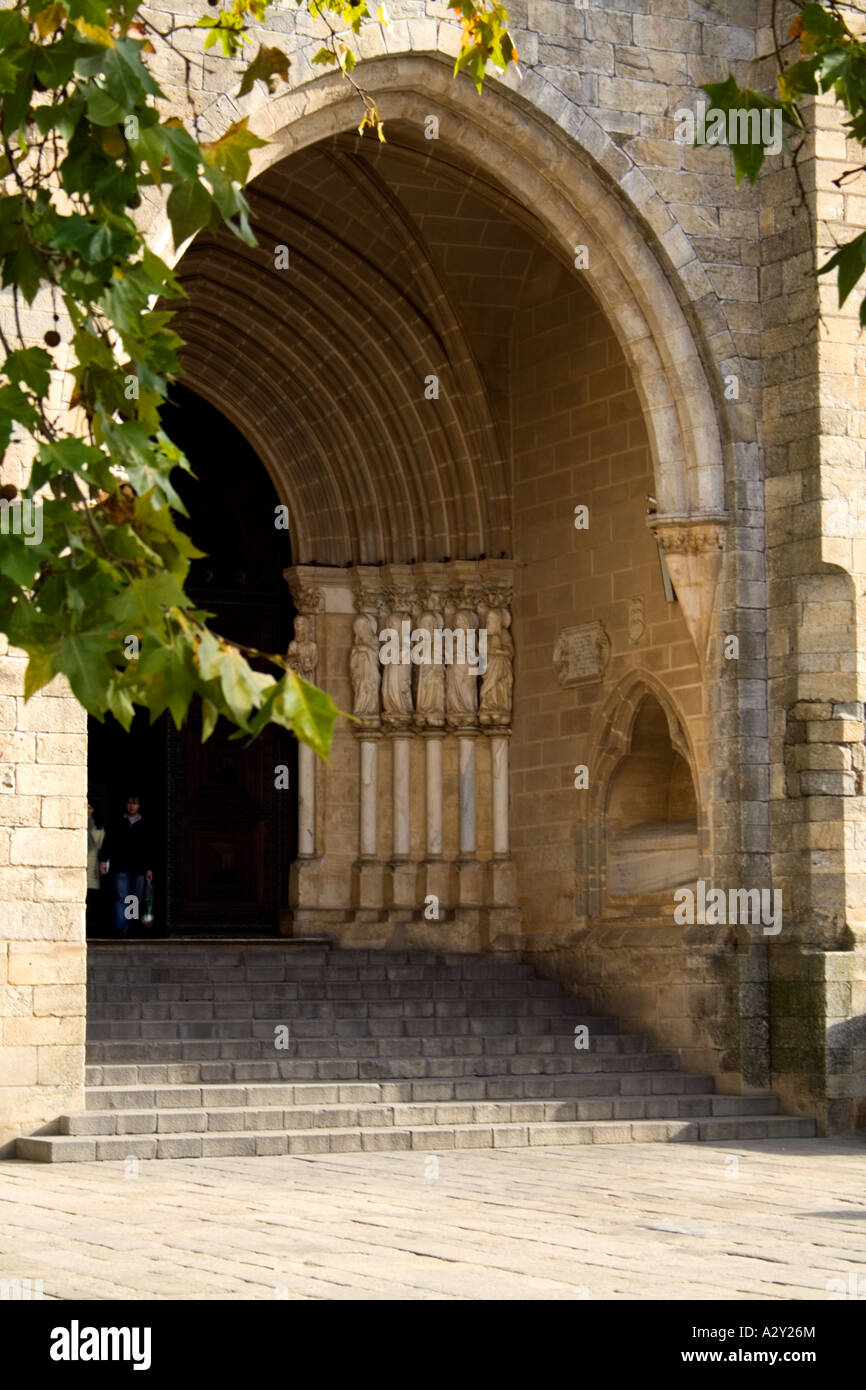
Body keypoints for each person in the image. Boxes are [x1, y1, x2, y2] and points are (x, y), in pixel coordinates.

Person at [99, 794, 153, 937]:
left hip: (139, 867)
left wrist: (149, 868)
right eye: (129, 803)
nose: (132, 806)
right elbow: (109, 842)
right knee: (121, 898)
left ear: (139, 806)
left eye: (135, 803)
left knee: (134, 899)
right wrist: (104, 860)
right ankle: (121, 928)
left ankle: (131, 928)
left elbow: (149, 848)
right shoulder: (118, 823)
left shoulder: (145, 824)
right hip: (121, 866)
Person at [86, 796, 106, 937]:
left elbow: (99, 843)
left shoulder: (96, 824)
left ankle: (129, 928)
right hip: (83, 865)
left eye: (90, 808)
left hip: (92, 866)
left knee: (132, 898)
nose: (87, 810)